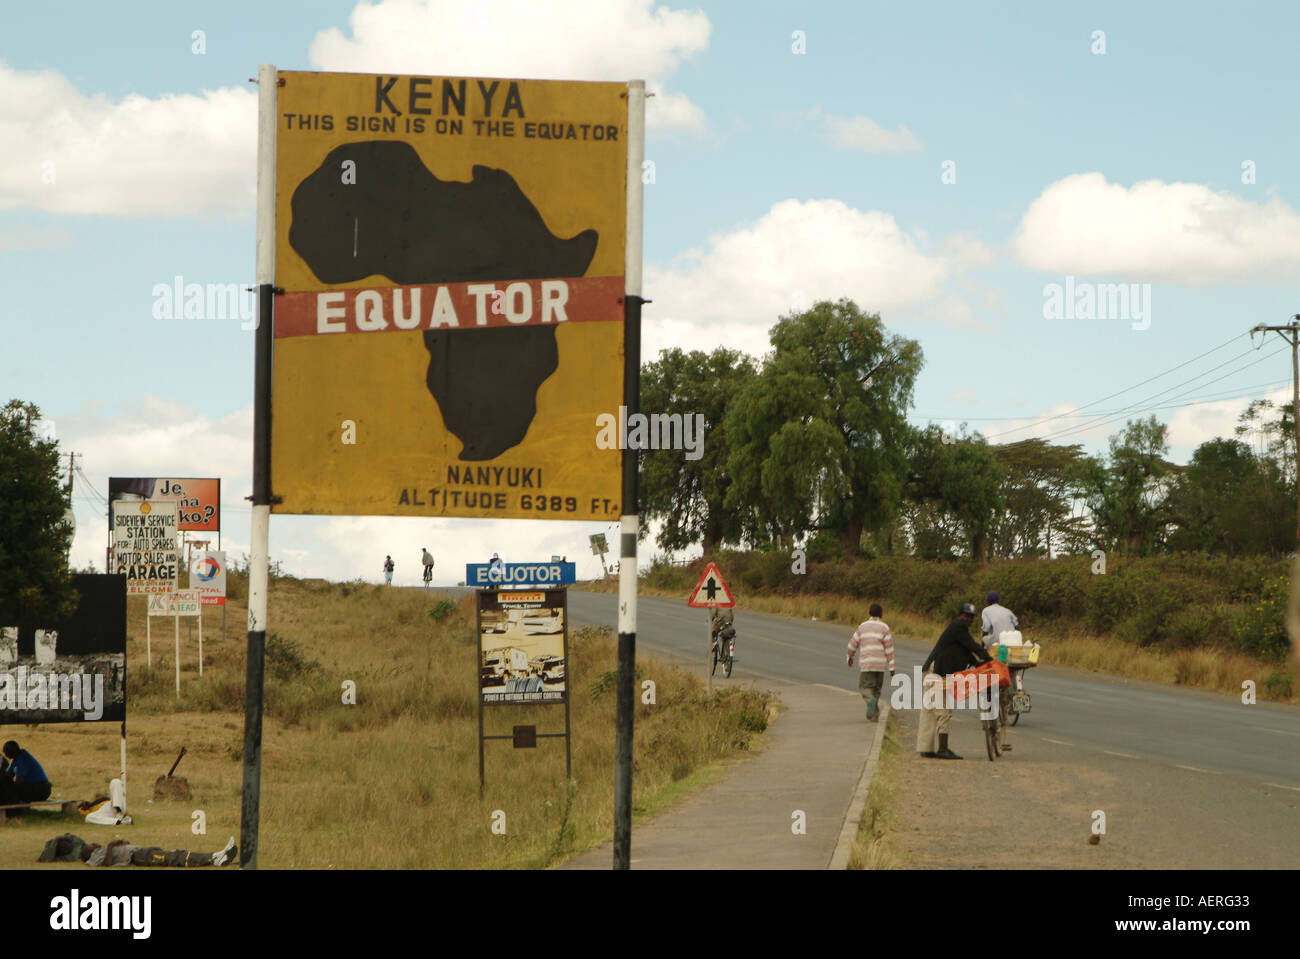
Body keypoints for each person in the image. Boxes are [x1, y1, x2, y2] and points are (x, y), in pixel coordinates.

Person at [917, 604, 991, 760]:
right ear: (960, 615)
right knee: (943, 711)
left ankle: (926, 748)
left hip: (933, 670)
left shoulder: (957, 629)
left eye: (971, 617)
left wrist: (978, 663)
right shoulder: (958, 627)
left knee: (929, 711)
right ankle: (943, 749)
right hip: (937, 672)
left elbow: (966, 650)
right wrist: (990, 659)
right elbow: (972, 646)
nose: (969, 619)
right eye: (966, 615)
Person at [39, 833, 237, 867]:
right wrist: (109, 847)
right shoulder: (94, 858)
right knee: (175, 857)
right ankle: (215, 858)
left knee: (174, 854)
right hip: (139, 857)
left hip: (141, 851)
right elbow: (106, 865)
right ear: (85, 852)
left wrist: (121, 843)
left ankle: (216, 856)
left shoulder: (97, 852)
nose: (94, 843)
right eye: (91, 845)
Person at [846, 603, 895, 721]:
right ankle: (874, 716)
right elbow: (889, 649)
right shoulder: (885, 628)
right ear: (881, 614)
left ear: (869, 613)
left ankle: (870, 701)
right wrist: (892, 667)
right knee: (876, 690)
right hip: (880, 666)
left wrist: (850, 657)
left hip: (867, 664)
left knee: (864, 688)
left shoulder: (862, 627)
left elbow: (852, 644)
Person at [0, 740, 52, 805]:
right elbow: (8, 776)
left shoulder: (23, 758)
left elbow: (19, 781)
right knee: (6, 787)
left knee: (11, 790)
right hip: (34, 787)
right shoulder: (16, 759)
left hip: (41, 789)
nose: (5, 755)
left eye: (6, 752)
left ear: (11, 752)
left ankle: (13, 810)